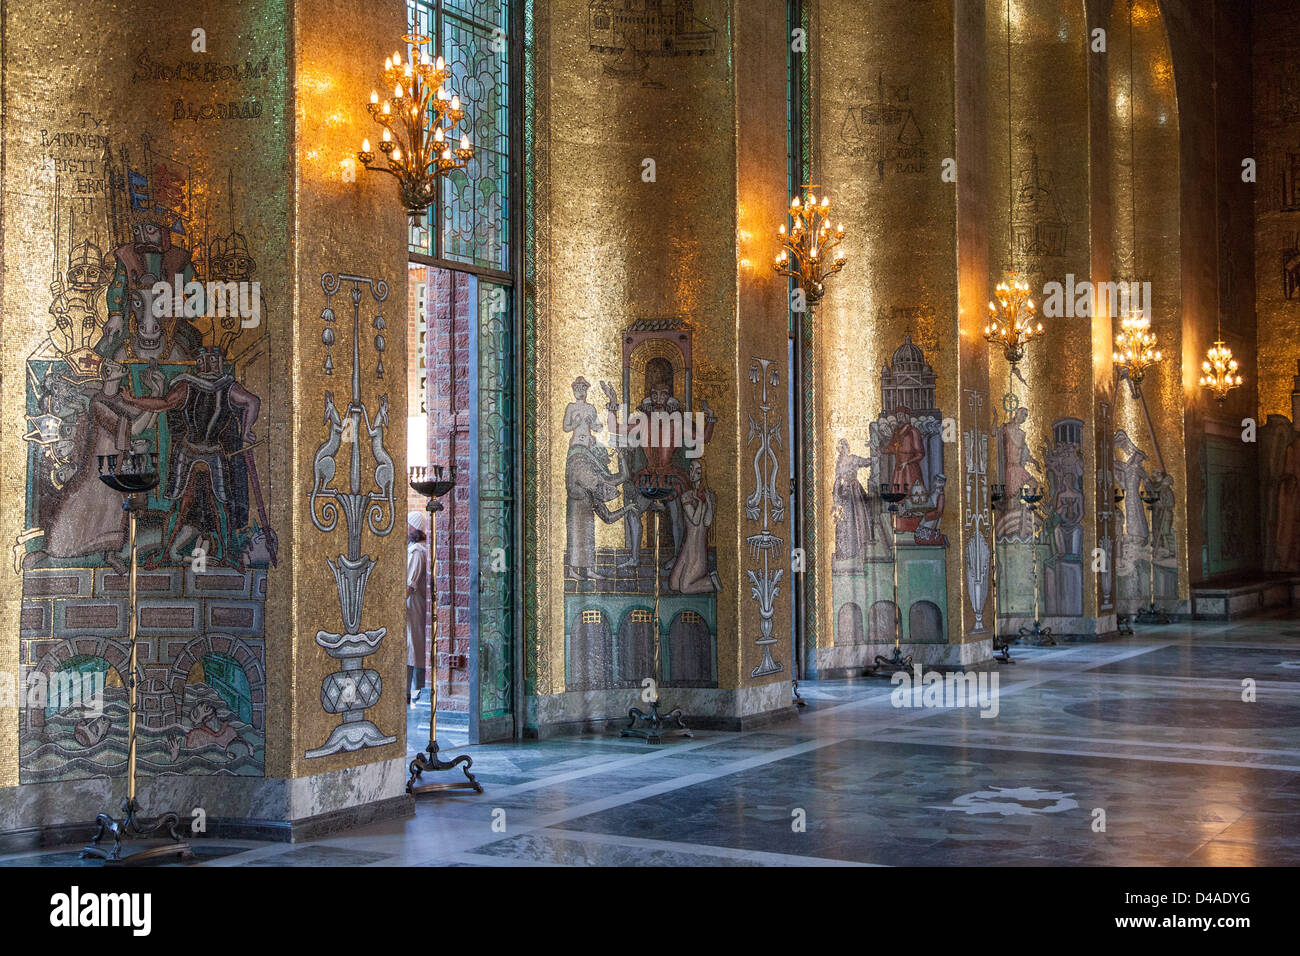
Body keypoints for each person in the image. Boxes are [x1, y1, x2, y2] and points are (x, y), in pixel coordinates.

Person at [407, 515, 429, 707]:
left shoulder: (416, 552)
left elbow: (409, 584)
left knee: (413, 646)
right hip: (414, 605)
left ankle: (413, 690)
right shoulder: (418, 550)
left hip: (413, 605)